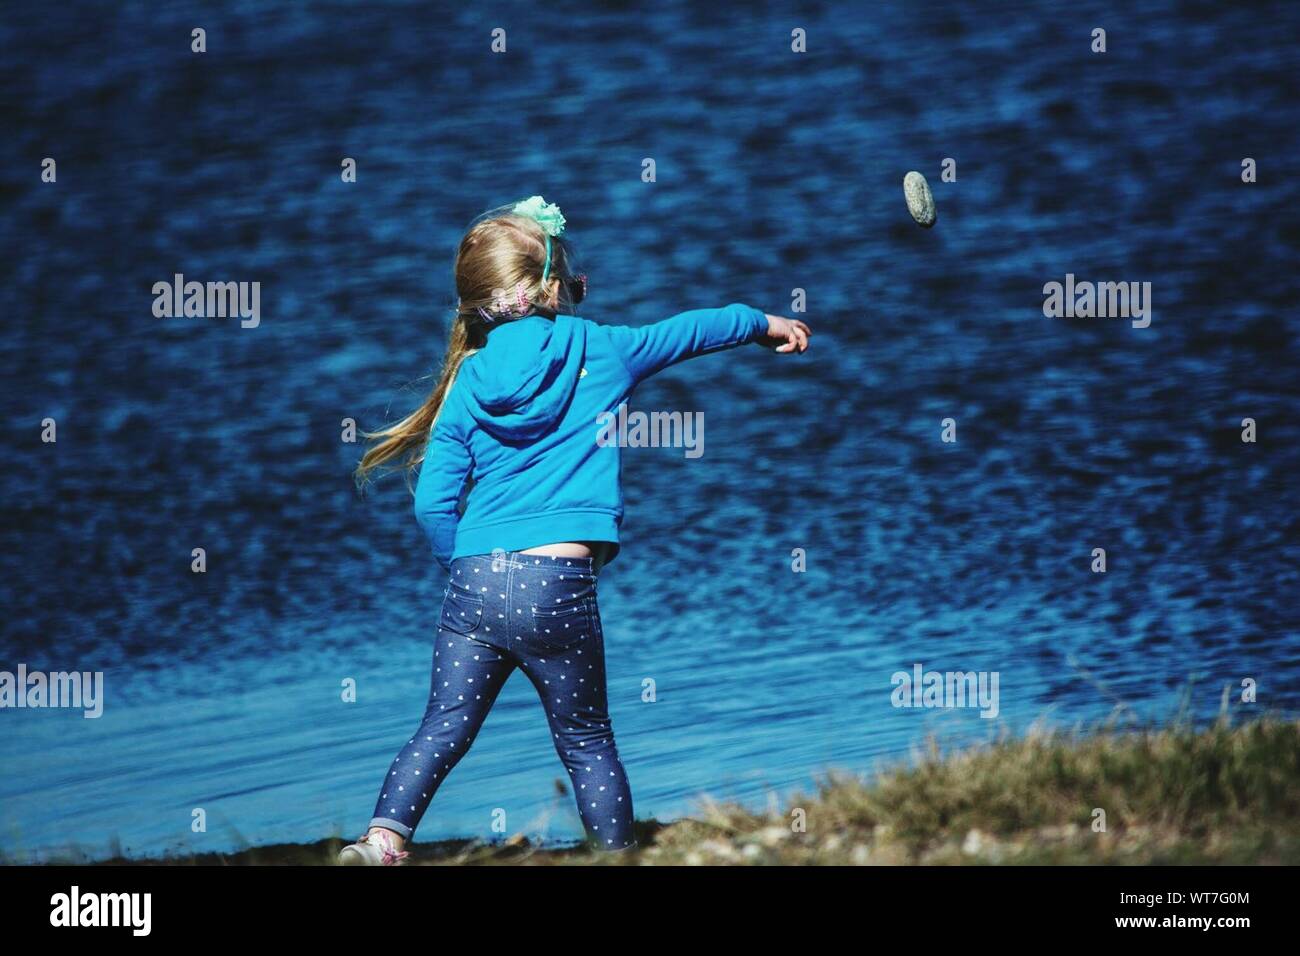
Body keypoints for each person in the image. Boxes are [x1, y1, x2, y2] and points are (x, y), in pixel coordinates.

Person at [339, 196, 811, 864]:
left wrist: (465, 565)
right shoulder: (600, 348)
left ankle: (380, 842)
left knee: (443, 725)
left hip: (475, 583)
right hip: (558, 585)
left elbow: (432, 506)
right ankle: (614, 855)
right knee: (586, 738)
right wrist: (762, 324)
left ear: (477, 304)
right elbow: (691, 331)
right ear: (552, 287)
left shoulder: (468, 382)